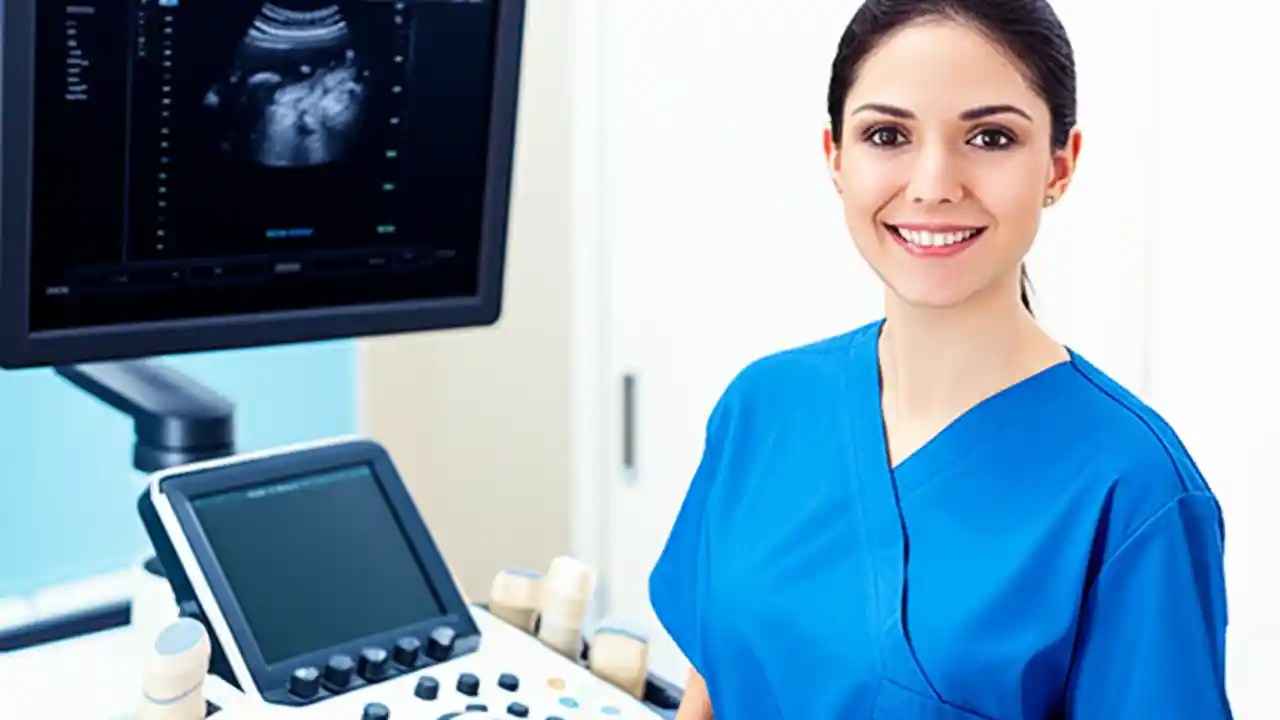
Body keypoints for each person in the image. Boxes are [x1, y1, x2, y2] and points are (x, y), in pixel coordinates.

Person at [647, 1, 1233, 718]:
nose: (933, 184)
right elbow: (712, 679)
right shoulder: (764, 406)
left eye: (990, 137)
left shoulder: (1133, 486)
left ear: (1060, 164)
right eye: (887, 134)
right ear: (835, 156)